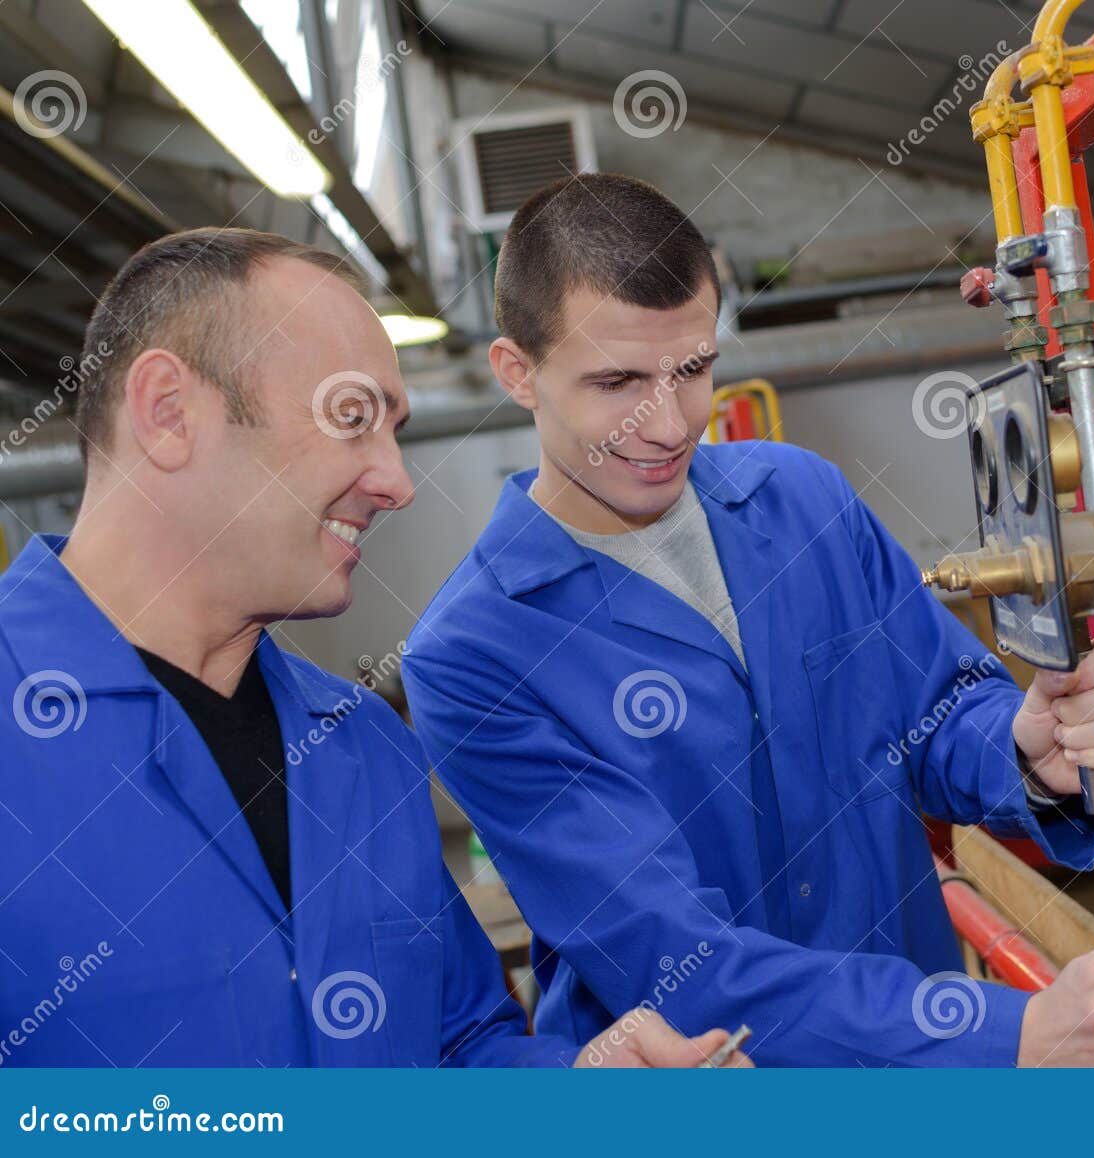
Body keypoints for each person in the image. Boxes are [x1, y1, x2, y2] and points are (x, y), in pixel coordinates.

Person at [403, 174, 1094, 1066]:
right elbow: (678, 964)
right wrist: (1008, 1034)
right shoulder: (473, 654)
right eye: (618, 381)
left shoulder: (802, 498)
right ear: (518, 372)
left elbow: (934, 711)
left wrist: (1021, 753)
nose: (670, 423)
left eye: (694, 368)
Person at [0, 228, 747, 1069]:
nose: (396, 482)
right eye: (351, 418)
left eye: (393, 430)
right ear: (170, 413)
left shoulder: (360, 749)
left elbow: (458, 1045)